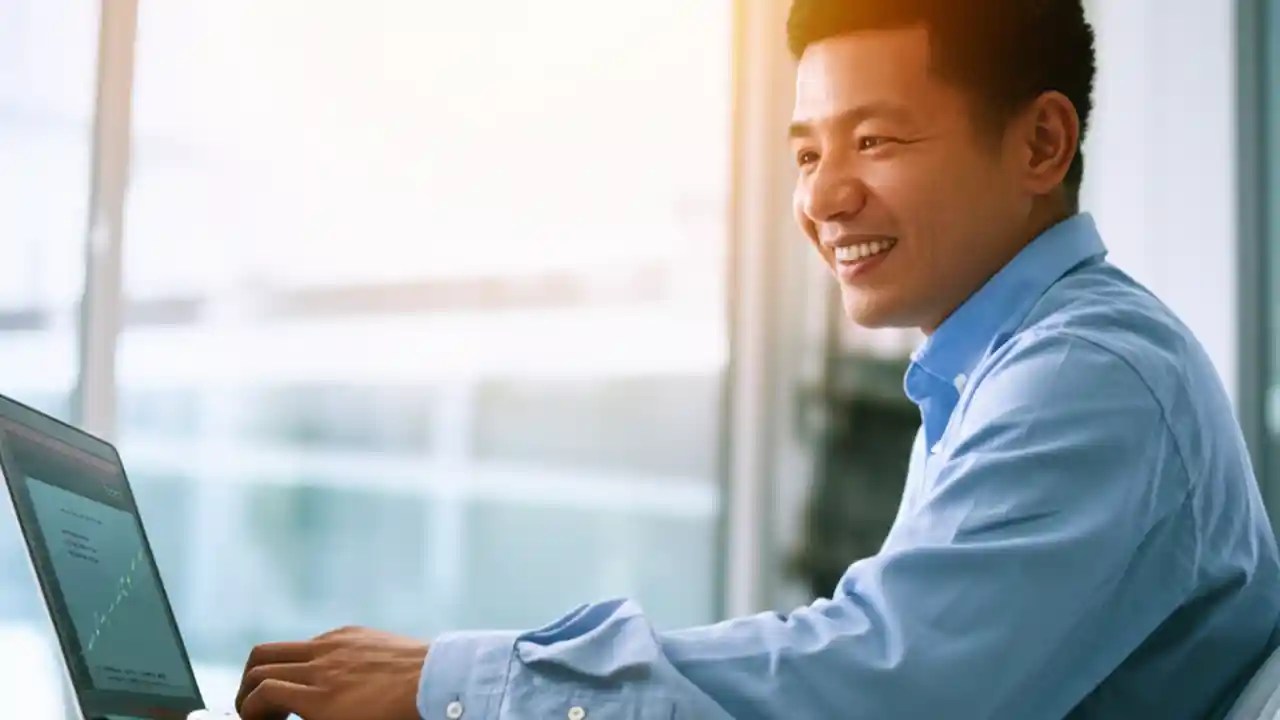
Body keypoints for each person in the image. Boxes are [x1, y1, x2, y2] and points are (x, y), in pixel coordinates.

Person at [233, 1, 1280, 718]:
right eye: (806, 152)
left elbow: (878, 685)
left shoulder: (1086, 377)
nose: (824, 197)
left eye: (875, 142)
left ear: (1039, 146)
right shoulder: (1006, 364)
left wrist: (455, 682)